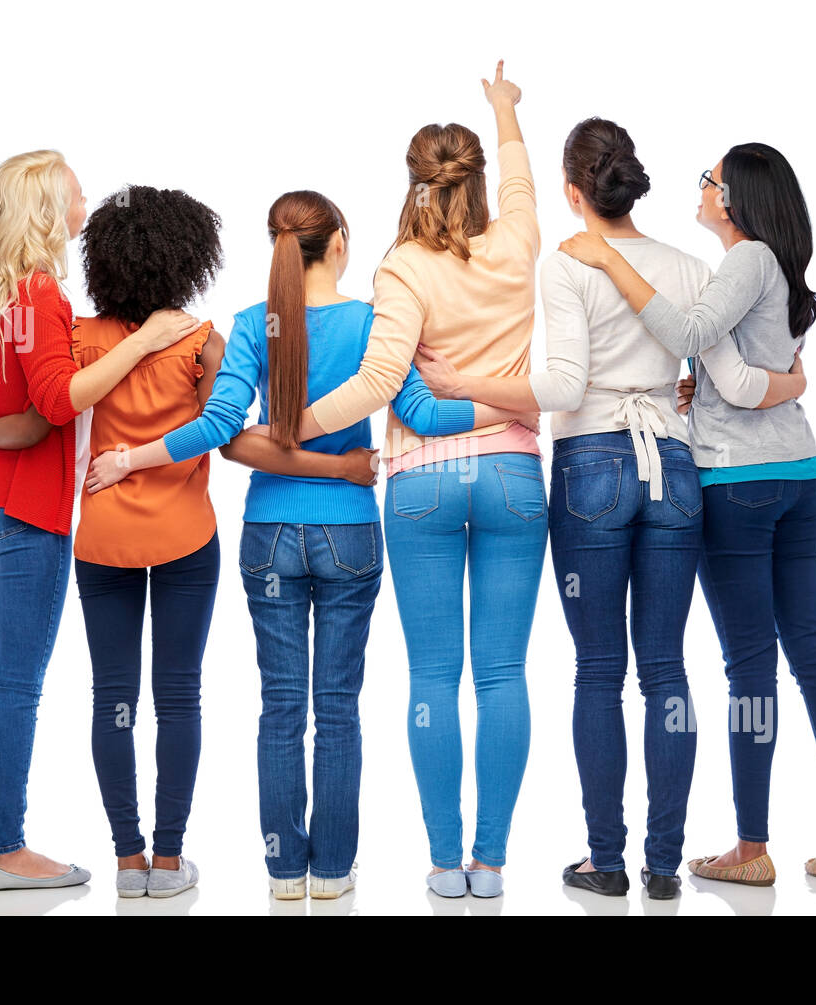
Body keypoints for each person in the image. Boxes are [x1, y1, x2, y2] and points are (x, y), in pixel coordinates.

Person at [86, 189, 518, 899]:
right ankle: (332, 871)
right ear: (340, 242)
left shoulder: (255, 325)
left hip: (271, 538)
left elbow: (221, 429)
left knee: (282, 705)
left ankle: (285, 869)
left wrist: (132, 457)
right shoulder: (374, 322)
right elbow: (418, 411)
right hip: (349, 528)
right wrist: (513, 400)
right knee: (338, 707)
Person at [415, 118, 800, 899]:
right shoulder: (693, 265)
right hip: (676, 469)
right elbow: (720, 369)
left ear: (571, 191)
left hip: (593, 468)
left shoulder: (569, 264)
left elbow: (560, 388)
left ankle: (606, 860)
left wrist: (464, 387)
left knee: (598, 671)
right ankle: (665, 864)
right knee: (666, 669)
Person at [559, 142, 816, 886]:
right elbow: (739, 373)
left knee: (750, 670)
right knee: (813, 650)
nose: (700, 188)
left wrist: (608, 259)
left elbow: (705, 351)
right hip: (802, 473)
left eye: (709, 180)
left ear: (732, 199)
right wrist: (773, 383)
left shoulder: (745, 259)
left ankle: (752, 844)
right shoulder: (783, 270)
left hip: (741, 484)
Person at [291, 61, 545, 898]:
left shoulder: (401, 265)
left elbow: (374, 384)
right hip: (512, 471)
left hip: (423, 486)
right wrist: (506, 109)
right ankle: (493, 862)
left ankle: (444, 863)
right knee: (503, 672)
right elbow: (519, 178)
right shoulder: (518, 242)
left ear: (416, 184)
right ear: (477, 181)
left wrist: (298, 422)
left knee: (434, 674)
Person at [0, 151, 199, 891]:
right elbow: (59, 403)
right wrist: (146, 340)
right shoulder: (44, 293)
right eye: (74, 189)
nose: (85, 196)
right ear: (46, 208)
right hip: (29, 513)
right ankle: (7, 846)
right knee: (19, 685)